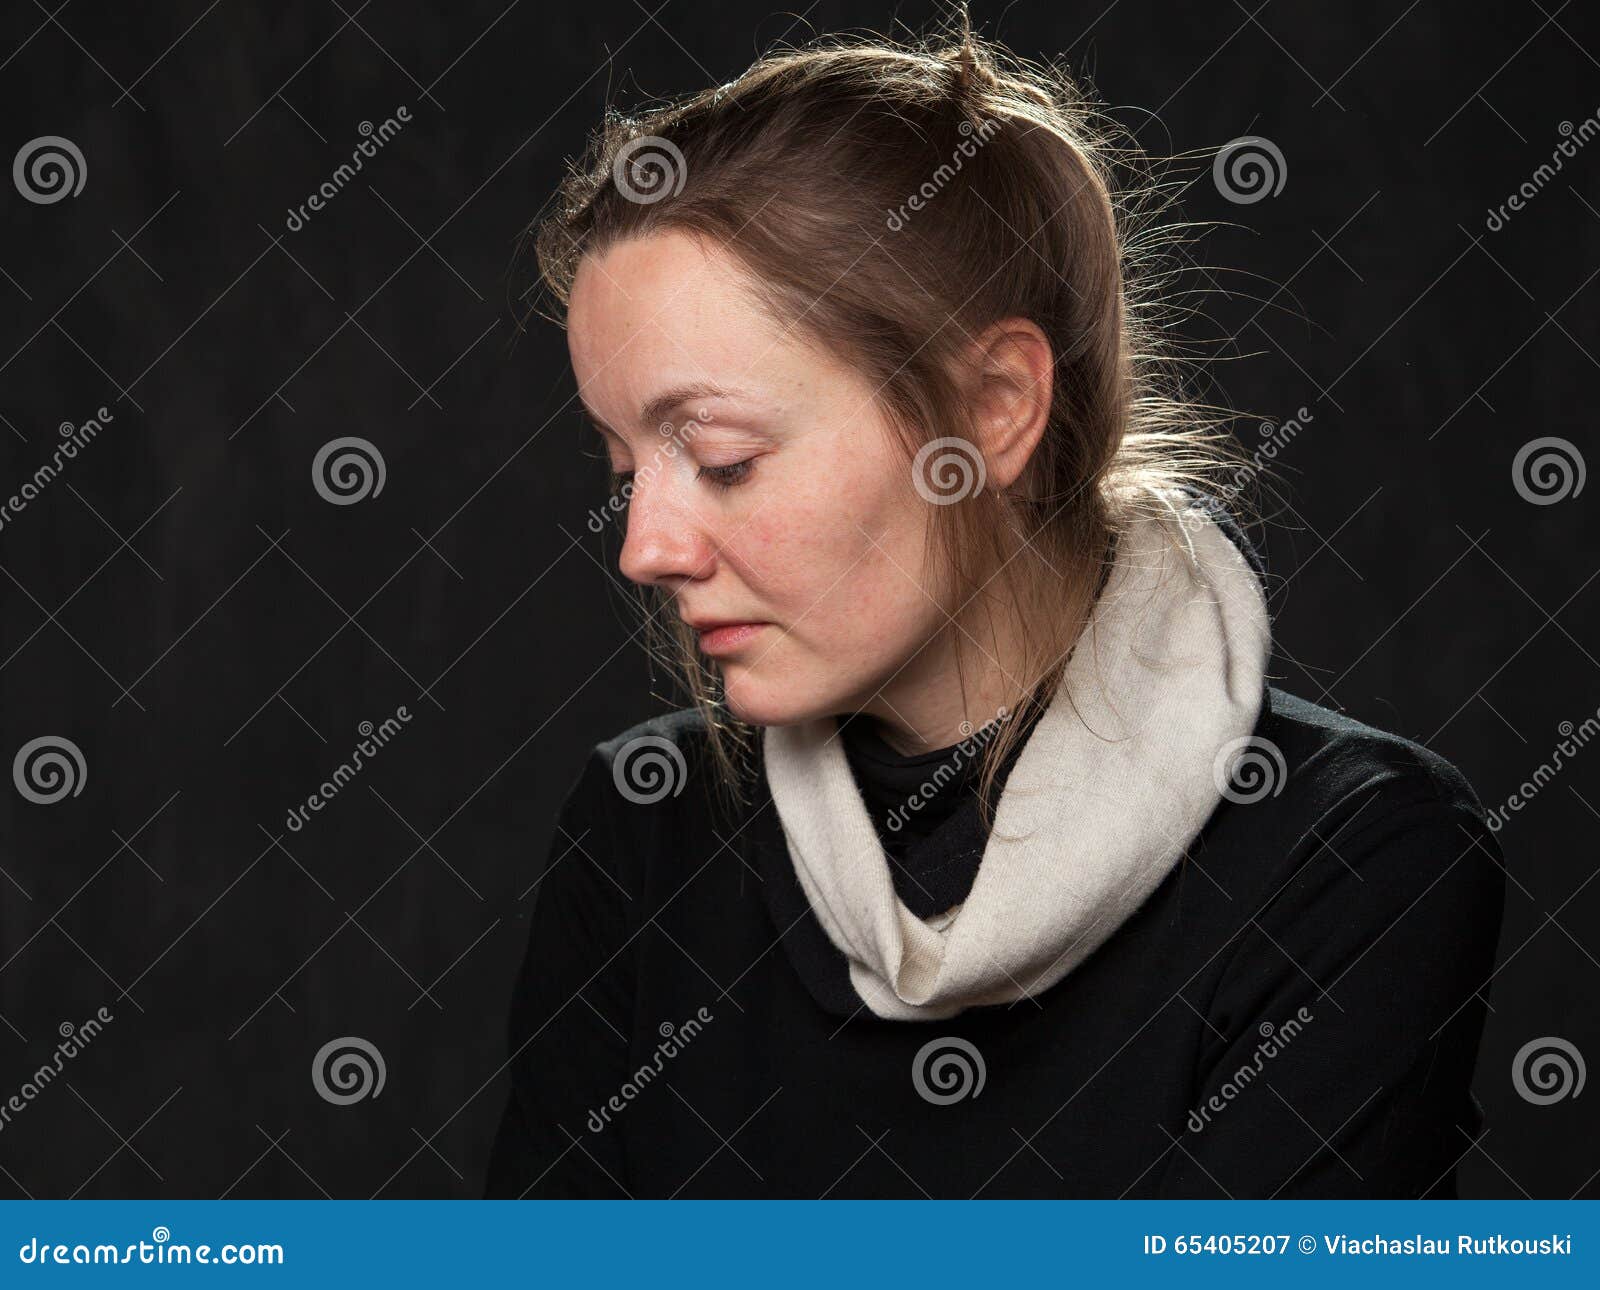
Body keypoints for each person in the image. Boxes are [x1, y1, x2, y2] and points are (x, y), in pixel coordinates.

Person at [483, 14, 1506, 1199]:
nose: (644, 549)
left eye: (722, 459)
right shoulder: (642, 828)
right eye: (625, 469)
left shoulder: (1352, 857)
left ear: (995, 409)